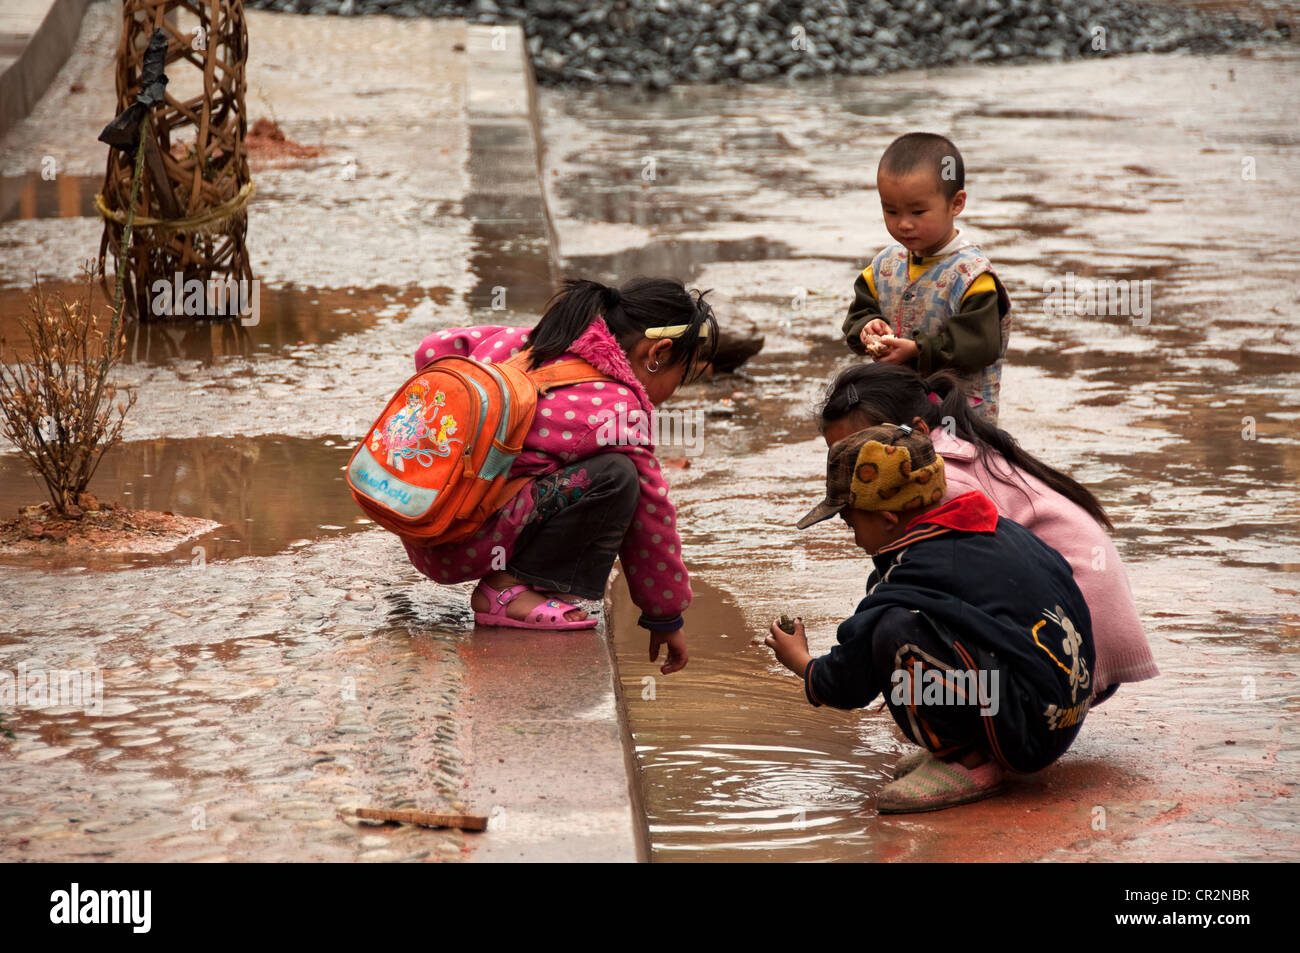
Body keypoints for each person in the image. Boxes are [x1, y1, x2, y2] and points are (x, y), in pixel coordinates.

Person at [764, 424, 1096, 813]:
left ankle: (968, 761)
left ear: (888, 518)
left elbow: (850, 680)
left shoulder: (917, 565)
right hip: (1061, 713)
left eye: (852, 524)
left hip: (1032, 733)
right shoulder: (994, 529)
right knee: (915, 624)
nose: (853, 538)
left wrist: (803, 664)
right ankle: (976, 741)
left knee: (892, 630)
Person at [404, 277, 716, 675]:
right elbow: (651, 519)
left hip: (426, 519)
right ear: (657, 353)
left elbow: (432, 348)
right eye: (682, 376)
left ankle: (513, 580)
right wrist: (665, 614)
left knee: (557, 463)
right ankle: (508, 592)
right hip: (460, 543)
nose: (675, 390)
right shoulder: (619, 408)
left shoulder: (529, 342)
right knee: (618, 477)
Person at [816, 362, 1158, 705]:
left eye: (862, 454)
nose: (847, 471)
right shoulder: (956, 452)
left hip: (1072, 650)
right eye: (840, 458)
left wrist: (823, 671)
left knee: (898, 617)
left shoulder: (941, 483)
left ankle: (976, 742)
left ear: (917, 431)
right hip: (1086, 640)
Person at [842, 132, 1012, 424]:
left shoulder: (972, 276)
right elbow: (858, 314)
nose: (903, 223)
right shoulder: (884, 265)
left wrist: (918, 350)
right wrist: (866, 329)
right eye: (890, 210)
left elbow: (980, 344)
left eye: (918, 211)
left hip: (960, 418)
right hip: (898, 408)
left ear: (956, 204)